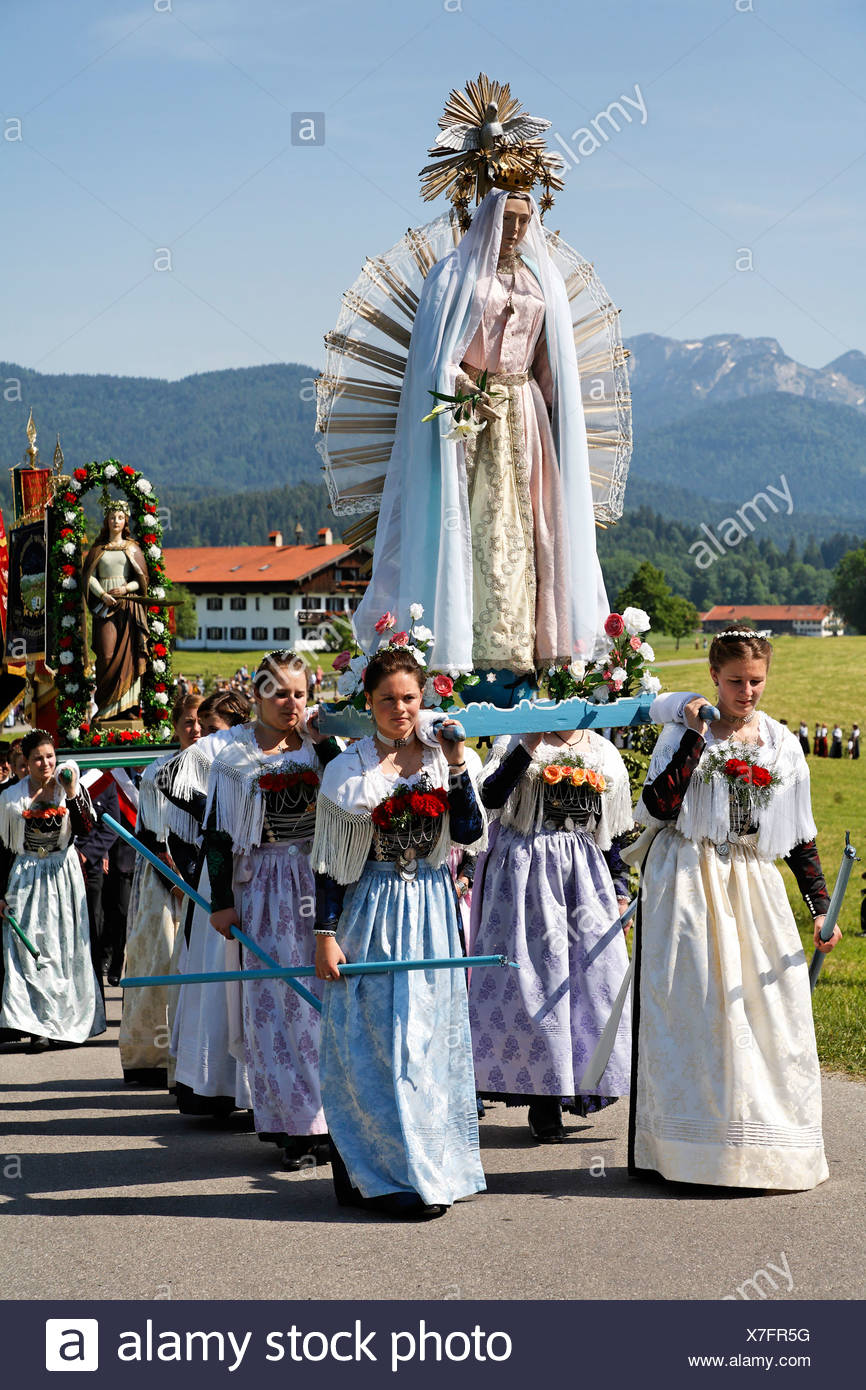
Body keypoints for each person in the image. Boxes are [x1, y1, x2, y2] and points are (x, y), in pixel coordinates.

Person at [353, 187, 607, 695]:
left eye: (524, 219)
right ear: (487, 215)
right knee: (472, 526)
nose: (516, 229)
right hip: (469, 423)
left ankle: (530, 653)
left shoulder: (542, 278)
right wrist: (463, 388)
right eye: (508, 218)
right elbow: (433, 356)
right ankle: (462, 649)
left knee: (532, 531)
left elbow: (548, 359)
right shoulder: (452, 275)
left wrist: (558, 411)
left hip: (527, 418)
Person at [629, 627, 840, 1190]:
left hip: (753, 880)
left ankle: (763, 1148)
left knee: (769, 1010)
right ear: (714, 679)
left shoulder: (780, 743)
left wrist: (820, 907)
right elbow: (659, 804)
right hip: (690, 877)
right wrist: (697, 735)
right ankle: (688, 1152)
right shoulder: (684, 731)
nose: (747, 692)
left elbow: (800, 836)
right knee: (698, 1008)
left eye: (756, 682)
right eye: (736, 682)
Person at [312, 647, 487, 1219]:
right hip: (373, 909)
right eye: (387, 699)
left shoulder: (443, 759)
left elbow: (467, 828)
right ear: (369, 703)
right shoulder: (350, 771)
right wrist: (325, 934)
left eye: (409, 698)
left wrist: (458, 762)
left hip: (433, 908)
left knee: (429, 1042)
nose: (399, 709)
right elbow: (330, 866)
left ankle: (429, 1168)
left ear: (424, 699)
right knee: (373, 1042)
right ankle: (376, 1172)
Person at [207, 653, 342, 1168]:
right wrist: (221, 901)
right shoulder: (235, 759)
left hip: (321, 880)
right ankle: (292, 1126)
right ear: (258, 696)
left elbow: (358, 789)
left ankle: (331, 1117)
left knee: (323, 1000)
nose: (292, 704)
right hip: (265, 886)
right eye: (280, 693)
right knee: (277, 1004)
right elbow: (217, 835)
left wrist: (323, 738)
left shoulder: (319, 749)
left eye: (300, 693)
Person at [468, 726, 633, 1141]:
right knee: (537, 985)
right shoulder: (516, 739)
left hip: (582, 869)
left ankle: (583, 1083)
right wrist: (527, 748)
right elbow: (490, 797)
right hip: (525, 868)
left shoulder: (601, 750)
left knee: (592, 980)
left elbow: (610, 828)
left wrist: (619, 885)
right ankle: (545, 1101)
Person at [168, 688, 254, 1119]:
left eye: (214, 726)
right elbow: (169, 779)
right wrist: (215, 810)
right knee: (215, 970)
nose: (203, 735)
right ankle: (212, 1083)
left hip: (260, 868)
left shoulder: (256, 746)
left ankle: (253, 1090)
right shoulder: (212, 754)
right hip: (219, 873)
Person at [0, 730, 105, 1049]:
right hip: (27, 875)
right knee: (29, 950)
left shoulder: (68, 788)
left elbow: (87, 826)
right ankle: (36, 1025)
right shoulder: (10, 797)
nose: (45, 763)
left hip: (63, 875)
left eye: (49, 756)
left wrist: (73, 791)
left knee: (65, 949)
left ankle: (66, 1021)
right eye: (37, 758)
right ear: (25, 763)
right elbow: (2, 849)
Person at [118, 693, 201, 1085]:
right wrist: (175, 881)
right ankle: (150, 1058)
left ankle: (194, 1060)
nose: (196, 729)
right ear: (175, 726)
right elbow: (151, 834)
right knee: (160, 959)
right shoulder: (157, 773)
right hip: (163, 880)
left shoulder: (221, 769)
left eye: (201, 721)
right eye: (188, 722)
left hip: (205, 880)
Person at [82, 499, 149, 721]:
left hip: (127, 606)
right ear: (106, 520)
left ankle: (127, 707)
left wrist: (126, 588)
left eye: (120, 517)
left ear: (125, 520)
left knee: (128, 654)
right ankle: (105, 707)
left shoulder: (132, 548)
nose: (116, 521)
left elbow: (141, 580)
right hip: (104, 606)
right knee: (106, 655)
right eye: (112, 517)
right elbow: (88, 577)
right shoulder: (98, 550)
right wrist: (102, 594)